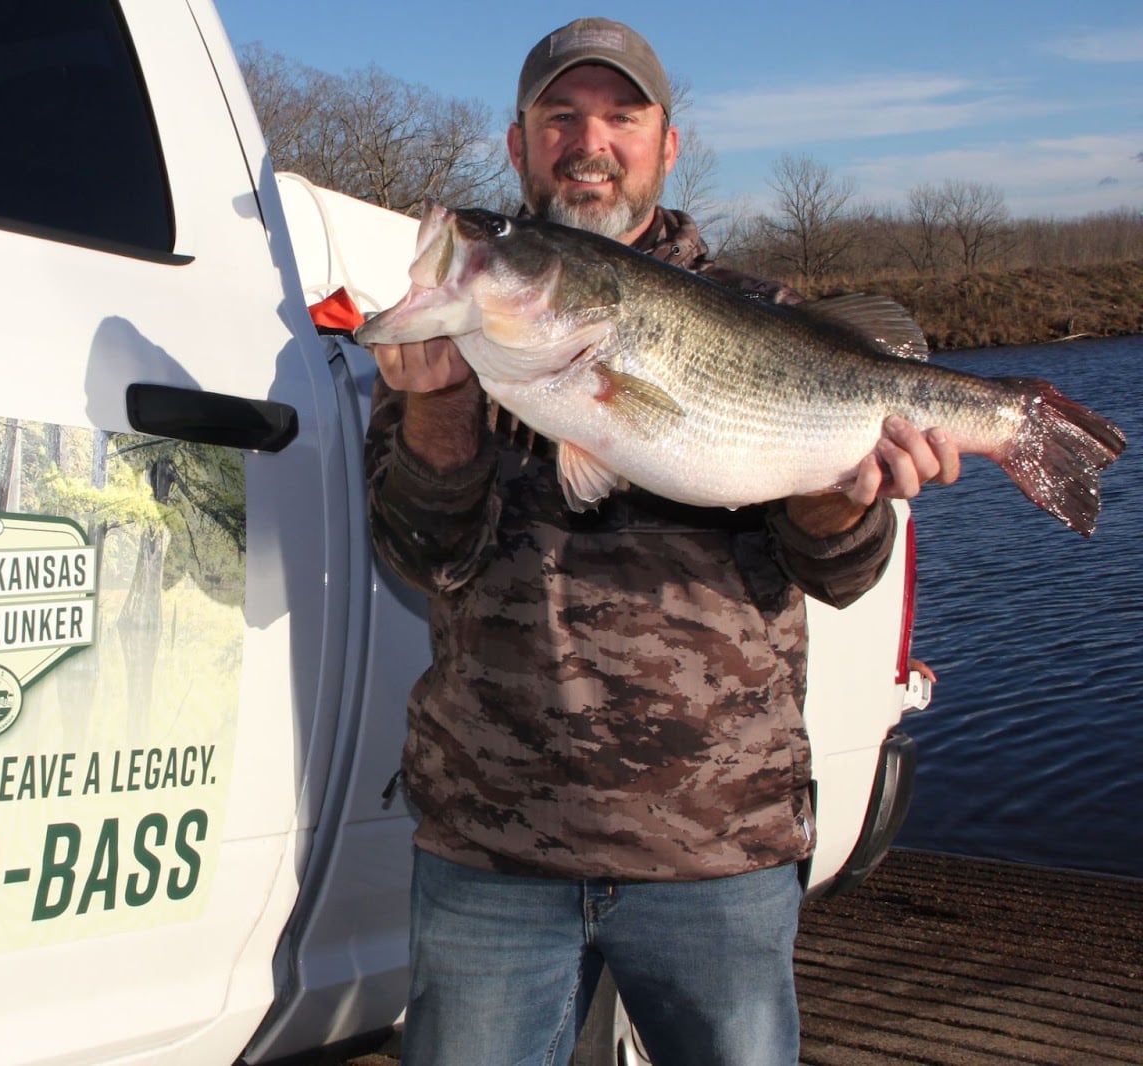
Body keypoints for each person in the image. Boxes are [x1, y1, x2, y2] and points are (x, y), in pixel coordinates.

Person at [362, 17, 961, 1066]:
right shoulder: (458, 328)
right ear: (518, 146)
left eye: (620, 117)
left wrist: (839, 495)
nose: (587, 142)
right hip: (493, 841)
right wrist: (439, 413)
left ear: (665, 145)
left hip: (717, 844)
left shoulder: (766, 316)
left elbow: (843, 570)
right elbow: (418, 555)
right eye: (559, 117)